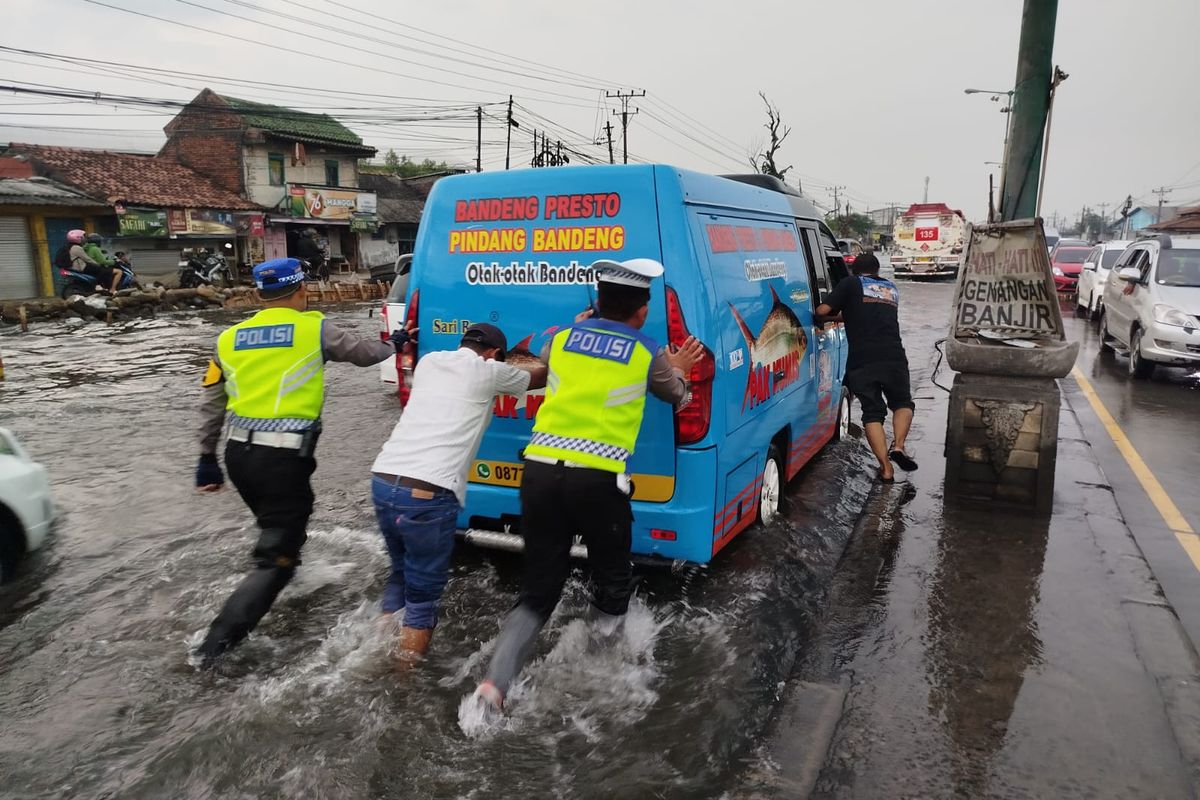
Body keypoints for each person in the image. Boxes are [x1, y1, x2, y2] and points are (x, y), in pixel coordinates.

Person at [472, 258, 705, 711]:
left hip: (538, 473)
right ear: (642, 308)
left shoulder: (560, 339)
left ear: (597, 302)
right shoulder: (645, 351)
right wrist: (678, 368)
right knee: (612, 581)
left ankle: (494, 686)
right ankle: (601, 675)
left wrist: (586, 326)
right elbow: (678, 396)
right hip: (598, 482)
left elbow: (562, 359)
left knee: (538, 592)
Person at [193, 257, 399, 667]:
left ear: (257, 295)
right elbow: (364, 354)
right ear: (302, 291)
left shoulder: (229, 338)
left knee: (279, 531)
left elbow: (211, 404)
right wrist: (400, 342)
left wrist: (205, 458)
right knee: (276, 558)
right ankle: (212, 651)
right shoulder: (313, 327)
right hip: (282, 457)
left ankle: (289, 578)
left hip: (239, 457)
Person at [371, 322, 548, 662]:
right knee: (423, 598)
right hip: (426, 491)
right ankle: (402, 684)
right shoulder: (489, 372)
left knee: (400, 575)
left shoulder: (431, 361)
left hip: (383, 478)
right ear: (495, 355)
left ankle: (378, 647)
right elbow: (541, 377)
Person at [815, 251, 917, 483]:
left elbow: (822, 311)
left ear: (854, 270)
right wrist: (844, 317)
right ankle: (899, 446)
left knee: (872, 412)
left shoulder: (850, 283)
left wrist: (822, 317)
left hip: (863, 358)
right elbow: (867, 314)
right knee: (902, 402)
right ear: (878, 271)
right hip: (894, 355)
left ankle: (886, 469)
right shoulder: (891, 288)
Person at [60, 229, 121, 295]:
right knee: (101, 270)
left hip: (75, 267)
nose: (84, 239)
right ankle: (100, 286)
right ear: (77, 238)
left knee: (99, 269)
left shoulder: (73, 247)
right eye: (82, 237)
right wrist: (97, 264)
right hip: (80, 267)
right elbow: (87, 259)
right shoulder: (77, 248)